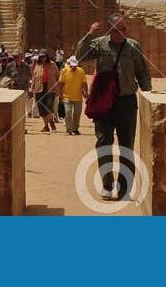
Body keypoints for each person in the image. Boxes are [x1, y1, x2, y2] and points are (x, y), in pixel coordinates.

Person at [76, 14, 151, 200]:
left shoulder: (133, 46)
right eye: (118, 30)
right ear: (110, 30)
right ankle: (107, 185)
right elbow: (80, 56)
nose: (122, 33)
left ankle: (124, 189)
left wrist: (148, 92)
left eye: (124, 29)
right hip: (104, 102)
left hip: (126, 102)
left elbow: (142, 71)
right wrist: (89, 35)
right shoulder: (100, 44)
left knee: (126, 146)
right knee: (104, 143)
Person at [59, 54, 87, 135]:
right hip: (67, 96)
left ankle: (75, 128)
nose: (73, 67)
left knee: (77, 114)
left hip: (78, 96)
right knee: (68, 113)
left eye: (75, 66)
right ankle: (69, 129)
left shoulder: (81, 71)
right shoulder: (64, 70)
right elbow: (61, 82)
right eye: (72, 66)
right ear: (70, 64)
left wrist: (86, 92)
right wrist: (60, 92)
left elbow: (84, 83)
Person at [30, 52, 59, 132]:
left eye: (44, 57)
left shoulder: (52, 64)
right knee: (41, 109)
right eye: (41, 57)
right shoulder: (37, 65)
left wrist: (58, 88)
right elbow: (34, 77)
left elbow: (58, 76)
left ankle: (51, 121)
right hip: (39, 89)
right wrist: (31, 88)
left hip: (50, 88)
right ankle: (46, 126)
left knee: (49, 105)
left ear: (47, 57)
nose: (43, 58)